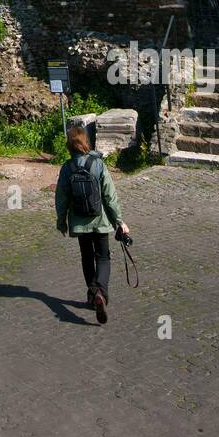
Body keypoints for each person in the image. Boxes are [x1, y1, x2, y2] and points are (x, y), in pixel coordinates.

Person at [54, 122, 130, 324]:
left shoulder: (66, 168)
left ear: (69, 145)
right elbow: (110, 196)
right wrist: (119, 221)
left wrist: (61, 221)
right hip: (101, 220)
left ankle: (93, 292)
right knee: (103, 257)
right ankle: (100, 292)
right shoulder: (98, 164)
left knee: (87, 258)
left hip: (80, 222)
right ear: (85, 142)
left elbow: (61, 198)